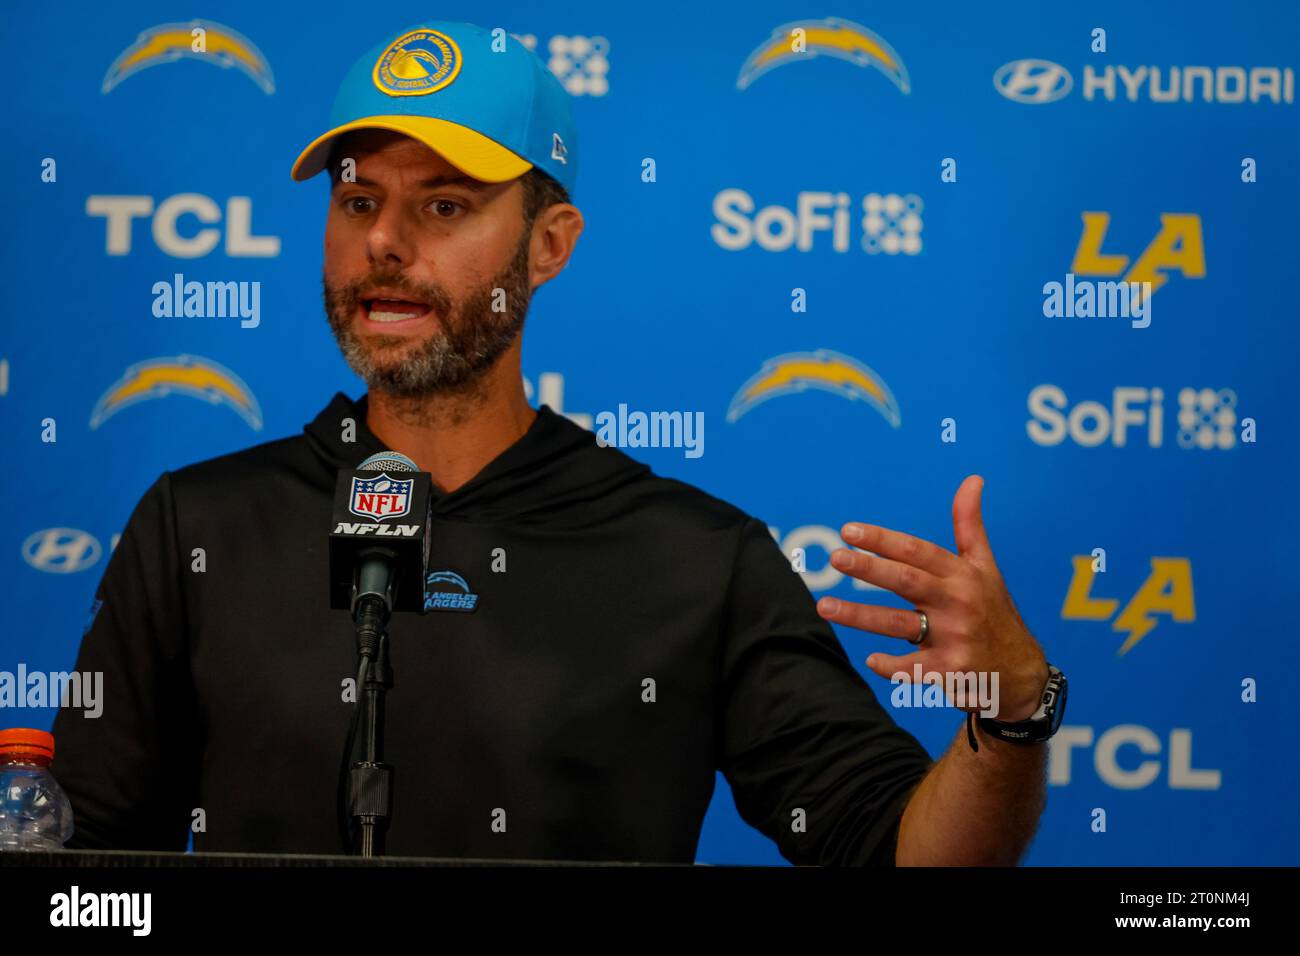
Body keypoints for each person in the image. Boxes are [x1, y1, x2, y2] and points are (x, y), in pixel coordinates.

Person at [51, 19, 1063, 865]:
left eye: (443, 204)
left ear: (549, 245)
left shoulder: (695, 559)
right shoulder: (201, 523)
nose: (384, 243)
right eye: (359, 201)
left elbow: (899, 851)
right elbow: (87, 877)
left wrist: (1012, 711)